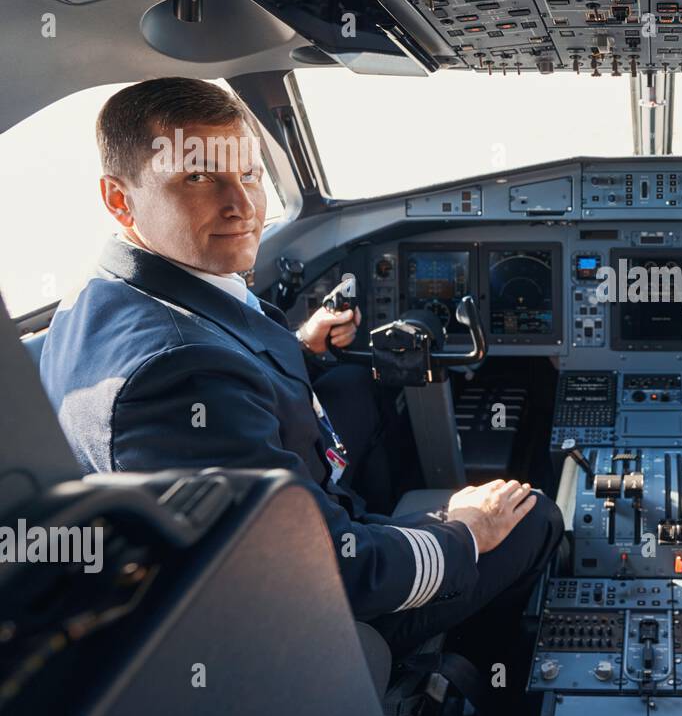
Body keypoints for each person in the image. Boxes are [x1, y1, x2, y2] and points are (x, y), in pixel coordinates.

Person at [40, 77, 562, 658]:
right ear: (120, 198)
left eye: (249, 174)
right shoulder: (177, 374)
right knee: (534, 516)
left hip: (235, 534)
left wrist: (299, 344)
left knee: (350, 380)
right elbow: (318, 570)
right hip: (292, 618)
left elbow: (223, 382)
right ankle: (470, 669)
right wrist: (464, 532)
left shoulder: (102, 292)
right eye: (198, 177)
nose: (242, 206)